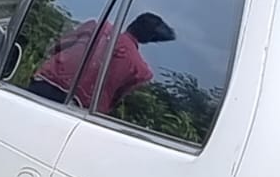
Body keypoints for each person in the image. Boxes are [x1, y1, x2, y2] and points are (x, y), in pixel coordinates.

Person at [27, 11, 176, 111]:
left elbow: (56, 47)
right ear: (151, 41)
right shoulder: (141, 71)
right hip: (78, 111)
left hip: (43, 85)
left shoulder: (97, 27)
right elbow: (114, 101)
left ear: (133, 23)